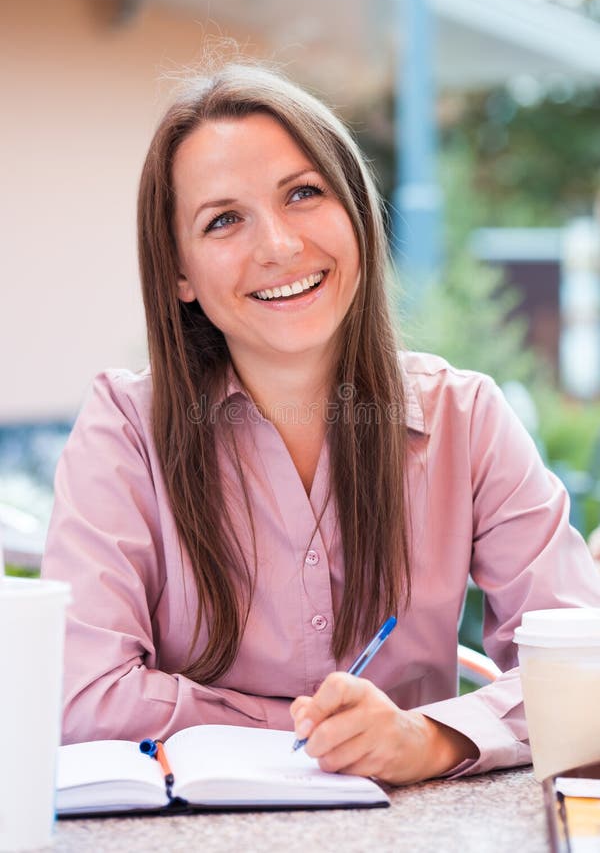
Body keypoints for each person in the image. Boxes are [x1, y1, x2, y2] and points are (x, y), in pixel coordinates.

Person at [42, 62, 600, 786]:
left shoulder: (467, 418)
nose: (277, 245)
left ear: (358, 215)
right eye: (223, 220)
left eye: (304, 193)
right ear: (179, 272)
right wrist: (342, 732)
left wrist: (426, 738)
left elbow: (582, 668)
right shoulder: (124, 430)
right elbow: (83, 697)